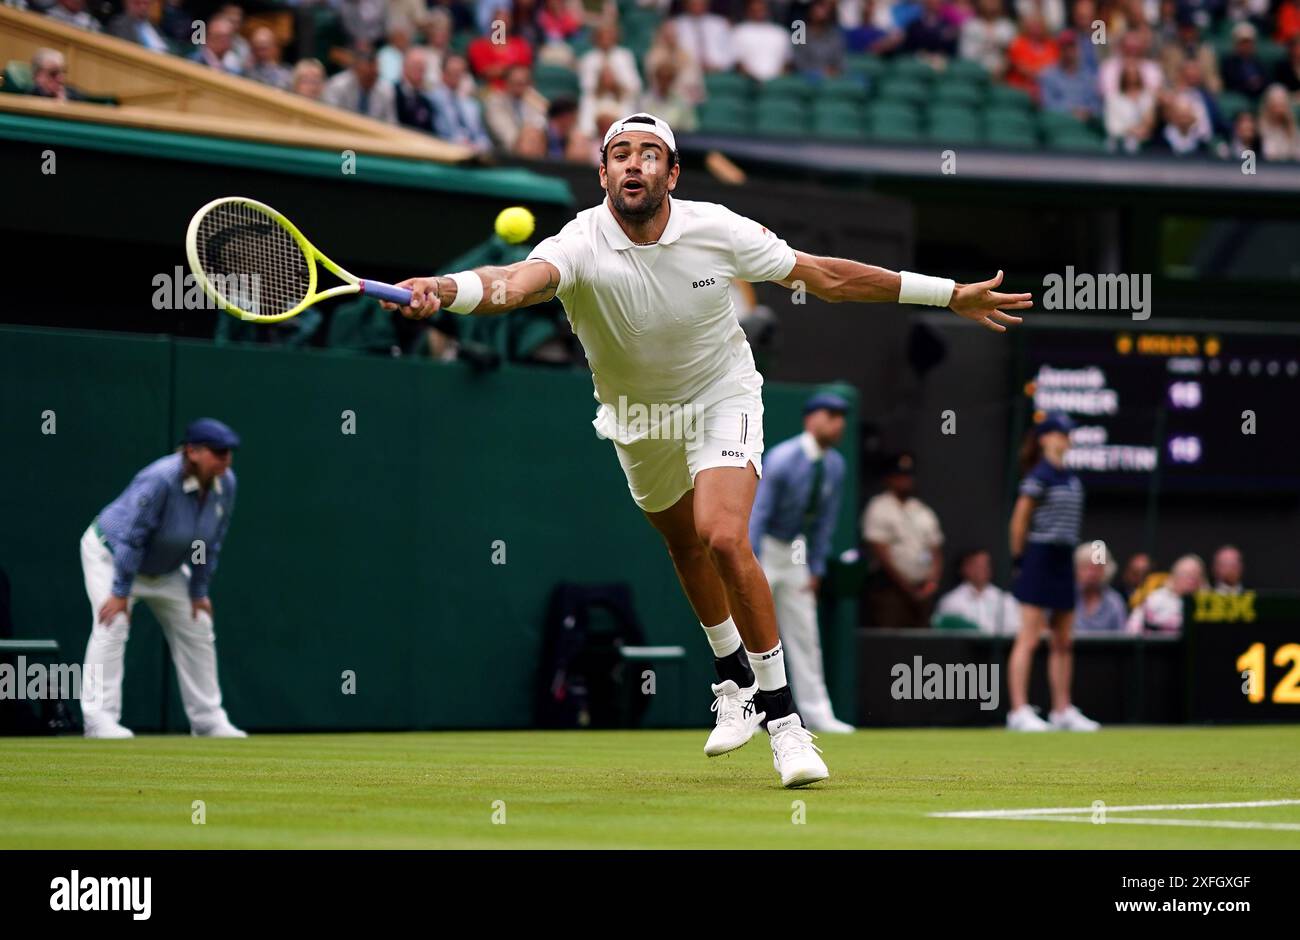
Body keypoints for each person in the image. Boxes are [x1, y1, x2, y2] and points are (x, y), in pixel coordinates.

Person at [379, 112, 1030, 786]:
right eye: (621, 155)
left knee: (721, 536)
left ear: (672, 173)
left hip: (722, 396)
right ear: (602, 173)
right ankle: (732, 677)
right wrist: (445, 291)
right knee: (683, 544)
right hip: (637, 418)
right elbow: (514, 282)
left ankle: (785, 723)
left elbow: (826, 276)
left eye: (650, 154)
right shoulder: (578, 242)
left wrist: (946, 293)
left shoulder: (717, 229)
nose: (635, 164)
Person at [80, 419, 246, 739]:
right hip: (112, 557)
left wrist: (198, 590)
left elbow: (209, 542)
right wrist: (120, 592)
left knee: (198, 624)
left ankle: (208, 720)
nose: (226, 459)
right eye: (218, 452)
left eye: (229, 453)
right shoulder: (159, 480)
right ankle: (99, 720)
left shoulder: (227, 484)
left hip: (167, 569)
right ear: (192, 452)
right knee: (112, 624)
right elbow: (132, 538)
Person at [749, 393, 854, 734]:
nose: (837, 423)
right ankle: (751, 714)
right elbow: (759, 514)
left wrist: (816, 566)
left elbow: (825, 521)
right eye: (830, 415)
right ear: (811, 419)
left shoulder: (836, 466)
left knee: (805, 633)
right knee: (753, 632)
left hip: (797, 551)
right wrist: (751, 563)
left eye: (841, 417)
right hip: (764, 548)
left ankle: (817, 711)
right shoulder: (782, 459)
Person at [1006, 412, 1099, 732]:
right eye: (1059, 433)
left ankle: (1061, 709)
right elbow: (1018, 521)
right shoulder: (1038, 476)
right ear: (1044, 438)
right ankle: (1018, 711)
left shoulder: (1071, 478)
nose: (1065, 439)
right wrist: (1020, 560)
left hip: (1063, 558)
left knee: (1063, 640)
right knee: (1029, 638)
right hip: (1039, 557)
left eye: (1067, 434)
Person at [862, 453, 944, 629]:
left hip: (923, 590)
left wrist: (932, 583)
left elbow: (935, 549)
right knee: (890, 645)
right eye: (899, 476)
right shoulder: (879, 506)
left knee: (919, 647)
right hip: (890, 590)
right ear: (889, 479)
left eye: (908, 476)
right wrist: (908, 588)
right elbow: (881, 553)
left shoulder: (922, 509)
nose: (905, 480)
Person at [935, 548, 1021, 635]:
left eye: (985, 565)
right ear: (964, 568)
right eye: (977, 565)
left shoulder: (1005, 599)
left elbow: (1015, 628)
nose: (982, 569)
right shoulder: (950, 600)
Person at [1127, 554, 1205, 633]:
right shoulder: (1156, 599)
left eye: (1196, 575)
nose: (1192, 579)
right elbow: (1133, 628)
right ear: (1174, 576)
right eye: (1187, 574)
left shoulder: (1206, 600)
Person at [323, 45, 397, 122]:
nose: (371, 77)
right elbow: (329, 117)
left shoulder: (386, 91)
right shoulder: (337, 86)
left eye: (374, 74)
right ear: (356, 69)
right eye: (367, 75)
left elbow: (391, 123)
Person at [1073, 541, 1127, 633]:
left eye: (1096, 568)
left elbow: (1122, 637)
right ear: (1076, 569)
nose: (1091, 574)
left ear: (1106, 570)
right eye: (1085, 567)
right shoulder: (1062, 597)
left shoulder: (1115, 602)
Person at [247, 26, 292, 91]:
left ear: (274, 48)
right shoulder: (247, 72)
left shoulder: (286, 74)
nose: (260, 53)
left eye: (263, 48)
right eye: (256, 48)